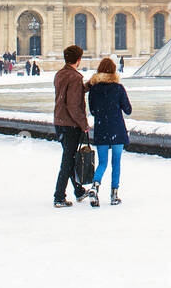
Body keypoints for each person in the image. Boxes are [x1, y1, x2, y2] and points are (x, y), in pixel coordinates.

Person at [87, 57, 131, 207]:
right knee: (116, 163)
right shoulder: (118, 88)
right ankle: (114, 194)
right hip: (117, 129)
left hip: (101, 129)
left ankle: (95, 186)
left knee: (103, 163)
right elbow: (128, 110)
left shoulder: (93, 89)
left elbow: (92, 110)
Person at [53, 44, 92, 208]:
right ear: (78, 59)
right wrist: (84, 124)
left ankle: (78, 191)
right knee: (68, 160)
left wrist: (87, 86)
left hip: (59, 122)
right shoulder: (75, 77)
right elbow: (73, 105)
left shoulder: (60, 74)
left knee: (69, 159)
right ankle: (59, 196)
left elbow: (69, 95)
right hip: (70, 125)